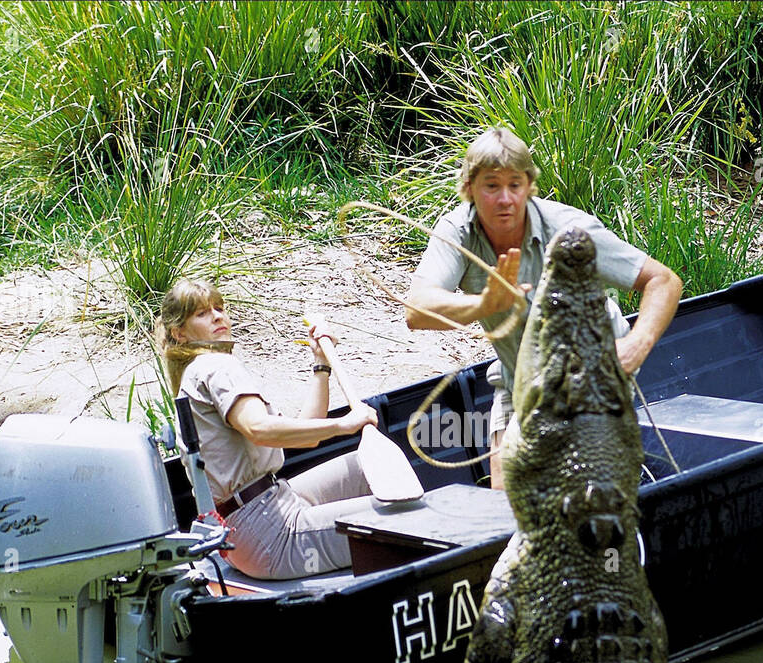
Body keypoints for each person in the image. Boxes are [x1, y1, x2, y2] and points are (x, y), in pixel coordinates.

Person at [404, 126, 684, 489]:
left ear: (529, 186)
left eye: (515, 185)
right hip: (517, 378)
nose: (505, 198)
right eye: (491, 185)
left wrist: (636, 345)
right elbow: (417, 311)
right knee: (502, 502)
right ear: (470, 188)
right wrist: (482, 304)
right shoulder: (457, 231)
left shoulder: (569, 231)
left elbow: (663, 280)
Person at [159, 278, 378, 580]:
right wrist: (343, 425)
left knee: (366, 465)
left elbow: (308, 435)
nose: (217, 316)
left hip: (257, 518)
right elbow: (258, 428)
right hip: (269, 533)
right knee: (400, 517)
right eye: (202, 313)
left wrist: (320, 364)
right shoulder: (214, 365)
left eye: (219, 308)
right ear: (179, 333)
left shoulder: (198, 371)